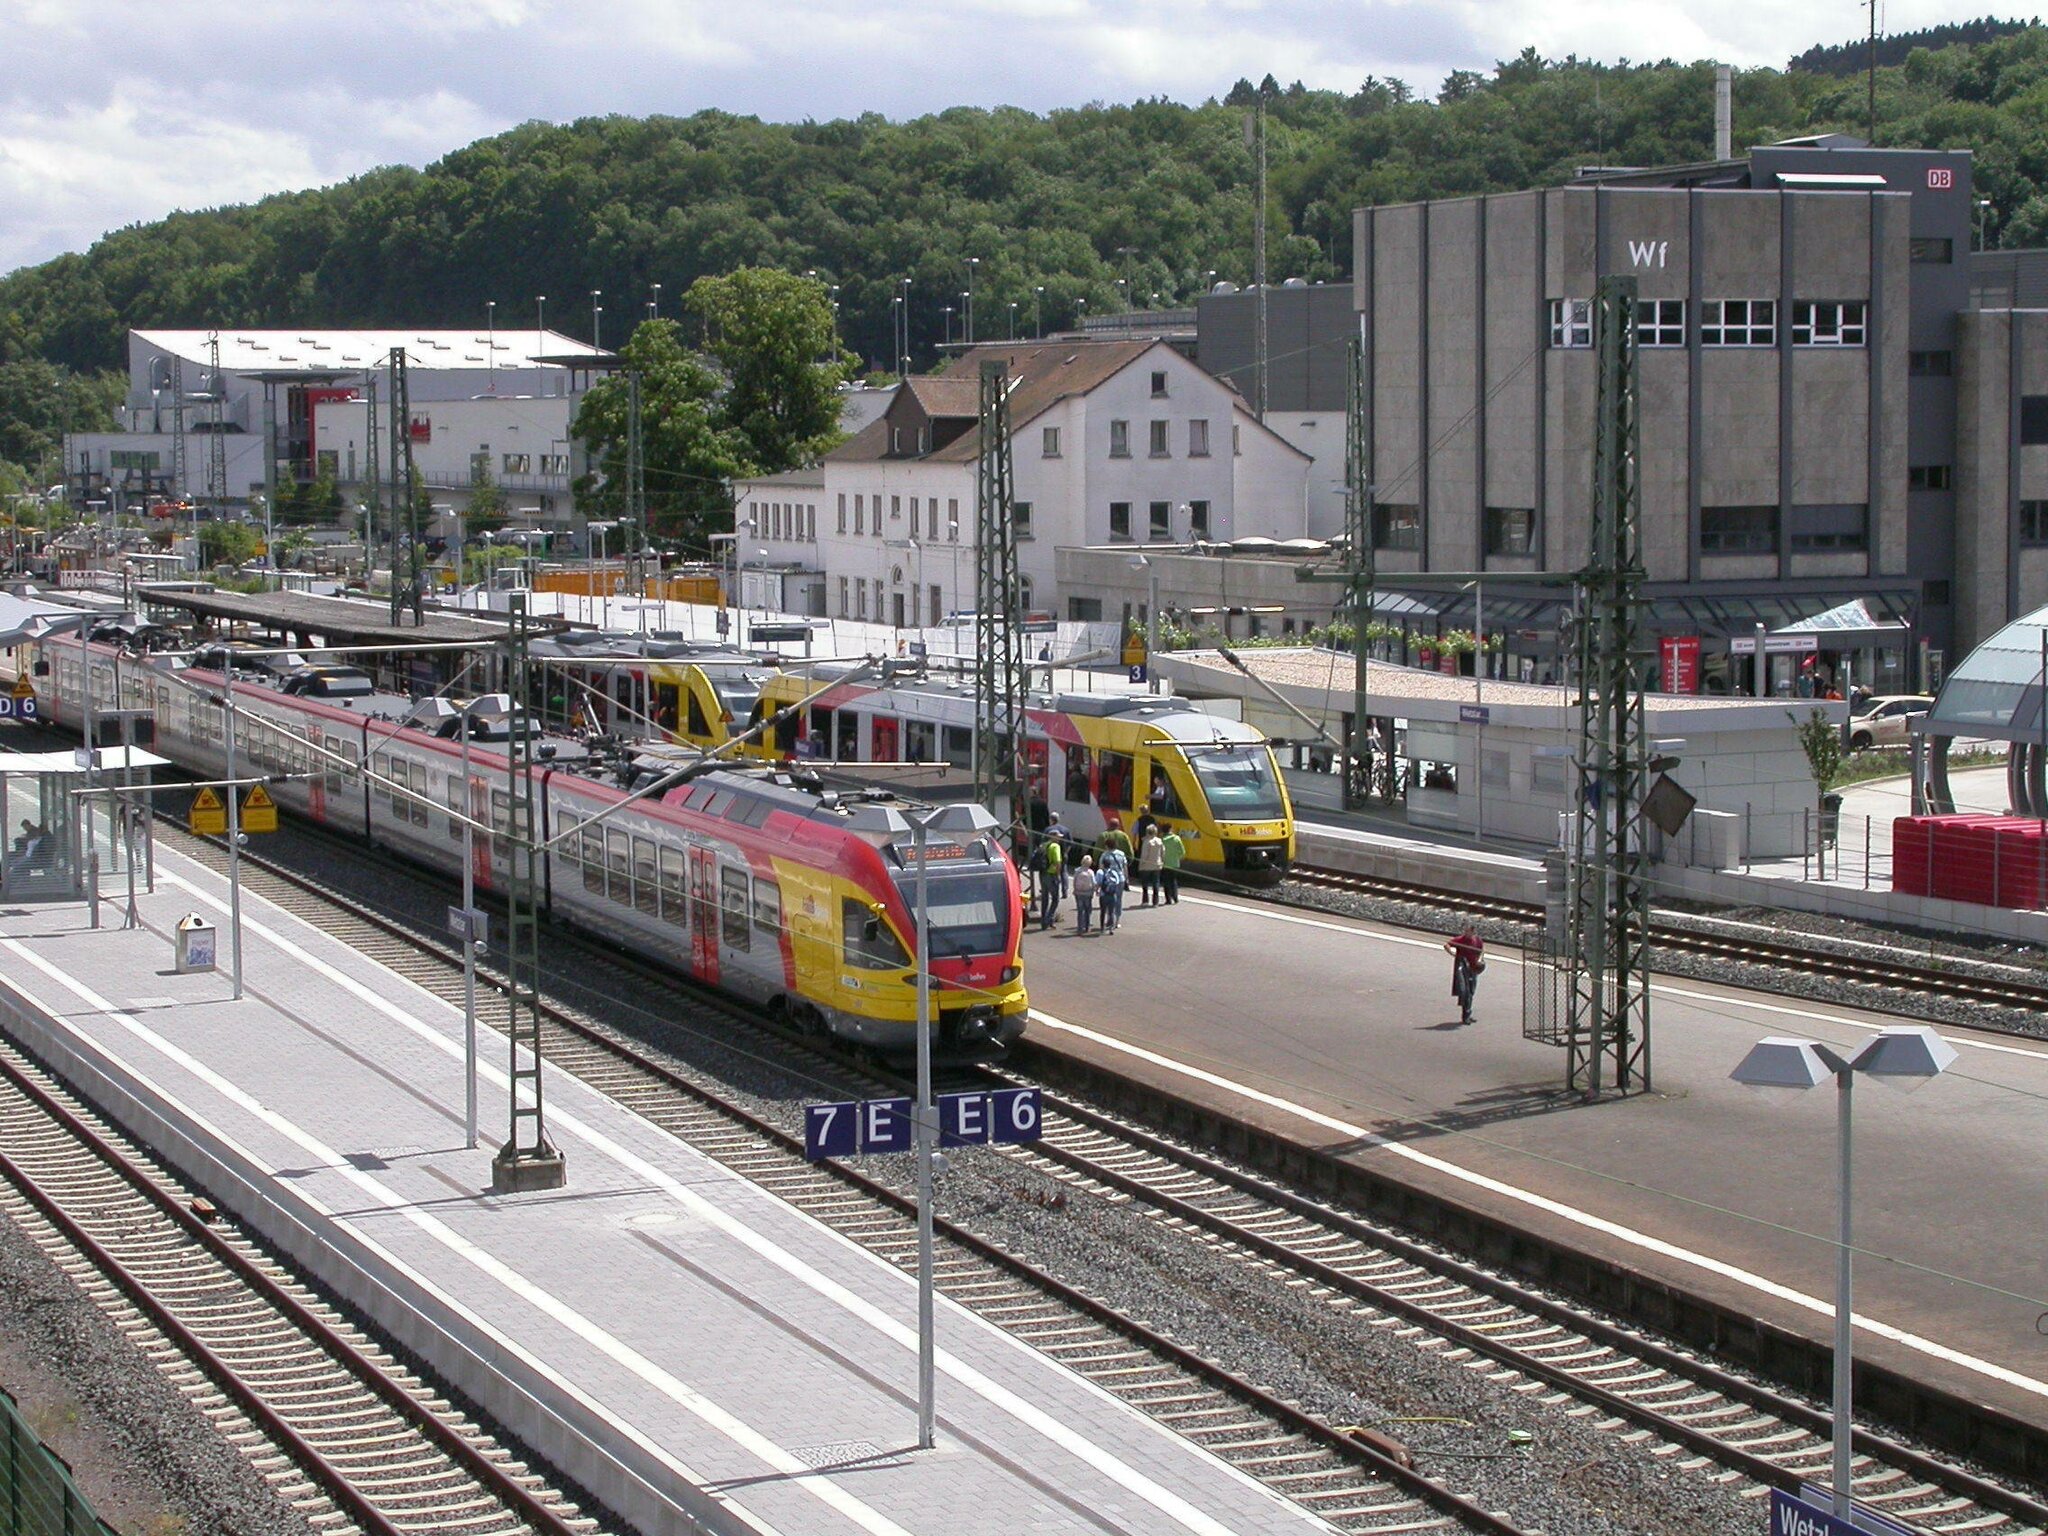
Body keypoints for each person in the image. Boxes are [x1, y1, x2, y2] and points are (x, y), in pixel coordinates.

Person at [1444, 922, 1485, 1025]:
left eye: (1468, 931)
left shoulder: (1477, 940)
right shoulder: (1460, 939)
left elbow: (1481, 950)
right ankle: (1465, 1016)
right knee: (1465, 991)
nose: (1466, 933)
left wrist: (1480, 960)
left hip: (1473, 968)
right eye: (1465, 931)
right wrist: (1452, 953)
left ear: (1473, 932)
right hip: (1463, 968)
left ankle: (1468, 1013)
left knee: (1471, 991)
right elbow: (1447, 945)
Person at [1098, 843, 1128, 934]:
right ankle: (1117, 921)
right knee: (1118, 900)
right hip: (1119, 879)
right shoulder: (1121, 854)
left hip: (1108, 881)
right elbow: (1125, 867)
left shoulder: (1104, 855)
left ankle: (1108, 920)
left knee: (1107, 901)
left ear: (1107, 846)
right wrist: (1126, 878)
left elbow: (1101, 867)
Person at [1037, 832, 1063, 930]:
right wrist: (1058, 874)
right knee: (1055, 899)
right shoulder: (1055, 846)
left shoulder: (1044, 845)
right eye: (1058, 836)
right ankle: (1048, 919)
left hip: (1042, 873)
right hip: (1051, 874)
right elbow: (1057, 862)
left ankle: (1044, 921)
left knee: (1045, 898)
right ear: (1053, 836)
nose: (1059, 838)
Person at [1137, 826, 1165, 906]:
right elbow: (1163, 852)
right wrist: (1162, 861)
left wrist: (1141, 864)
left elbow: (1144, 854)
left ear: (1147, 831)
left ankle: (1145, 901)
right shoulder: (1159, 841)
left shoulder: (1146, 841)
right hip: (1157, 865)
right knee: (1156, 883)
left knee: (1145, 883)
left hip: (1147, 865)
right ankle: (1155, 902)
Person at [1159, 826, 1185, 904]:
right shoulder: (1177, 839)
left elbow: (1159, 852)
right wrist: (1178, 857)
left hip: (1164, 864)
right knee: (1173, 881)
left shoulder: (1162, 840)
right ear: (1170, 830)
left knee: (1166, 882)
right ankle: (1175, 897)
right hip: (1175, 863)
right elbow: (1182, 852)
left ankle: (1168, 899)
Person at [1072, 855, 1097, 935]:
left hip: (1078, 893)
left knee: (1080, 911)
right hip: (1088, 893)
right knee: (1088, 910)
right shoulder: (1091, 872)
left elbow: (1074, 881)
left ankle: (1079, 928)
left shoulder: (1077, 871)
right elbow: (1093, 883)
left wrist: (1075, 890)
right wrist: (1093, 891)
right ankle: (1087, 927)